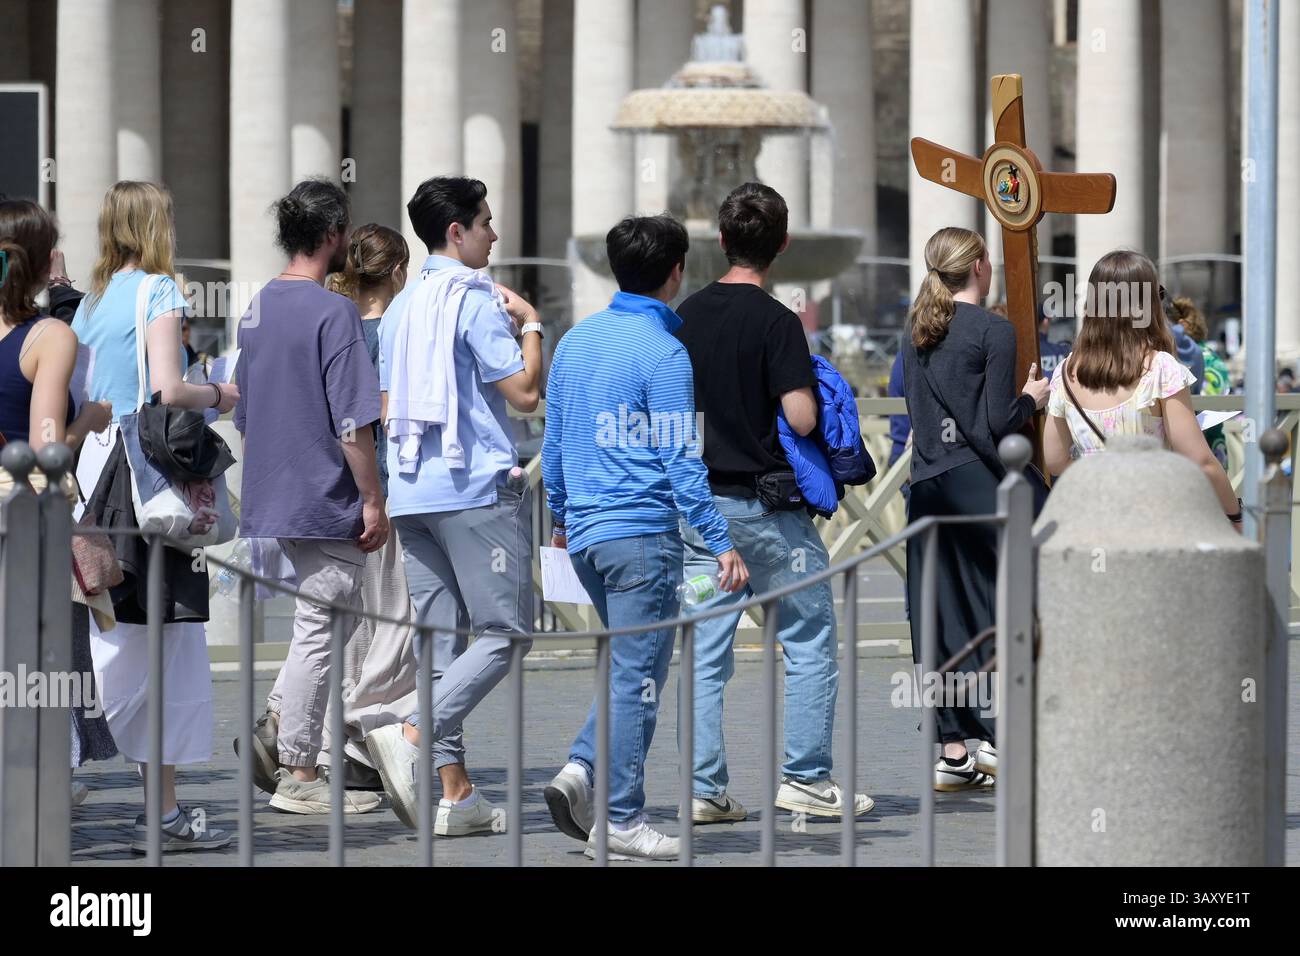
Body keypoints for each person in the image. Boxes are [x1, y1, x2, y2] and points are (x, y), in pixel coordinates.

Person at [541, 214, 750, 861]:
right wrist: (720, 541)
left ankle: (581, 769)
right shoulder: (664, 353)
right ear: (676, 272)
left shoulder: (575, 342)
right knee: (641, 679)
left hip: (586, 536)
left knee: (635, 669)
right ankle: (622, 818)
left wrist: (560, 515)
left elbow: (553, 446)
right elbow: (683, 465)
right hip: (641, 537)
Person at [673, 182, 873, 823]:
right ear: (782, 244)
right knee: (811, 637)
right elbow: (801, 417)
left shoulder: (685, 316)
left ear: (722, 239)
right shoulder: (778, 321)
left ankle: (706, 791)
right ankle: (805, 779)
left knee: (706, 653)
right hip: (768, 510)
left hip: (701, 510)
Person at [364, 177, 542, 836]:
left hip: (412, 489)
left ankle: (458, 796)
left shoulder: (404, 306)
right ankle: (412, 727)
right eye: (487, 223)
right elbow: (523, 394)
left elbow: (383, 409)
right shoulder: (475, 301)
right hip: (474, 487)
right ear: (458, 232)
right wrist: (532, 324)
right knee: (504, 633)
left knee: (441, 647)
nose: (495, 235)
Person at [70, 181, 238, 851]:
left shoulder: (90, 303)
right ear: (155, 227)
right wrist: (222, 392)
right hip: (147, 484)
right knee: (165, 643)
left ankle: (83, 772)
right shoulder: (161, 292)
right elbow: (168, 389)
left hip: (94, 476)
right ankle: (163, 811)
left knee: (108, 631)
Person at [234, 179, 388, 816]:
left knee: (311, 629)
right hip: (324, 494)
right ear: (332, 236)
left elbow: (242, 405)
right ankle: (298, 768)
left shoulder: (256, 306)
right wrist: (372, 498)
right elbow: (353, 422)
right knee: (320, 633)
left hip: (272, 490)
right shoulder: (334, 312)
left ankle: (285, 738)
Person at [902, 226, 1049, 792]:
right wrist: (1031, 401)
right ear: (982, 266)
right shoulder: (994, 329)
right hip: (975, 482)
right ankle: (1007, 732)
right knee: (1013, 600)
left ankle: (955, 748)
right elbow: (992, 428)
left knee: (939, 614)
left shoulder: (916, 329)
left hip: (926, 484)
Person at [0, 199, 117, 803]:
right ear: (46, 262)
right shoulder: (48, 336)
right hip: (30, 519)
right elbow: (48, 450)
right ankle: (41, 796)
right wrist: (91, 417)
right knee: (49, 663)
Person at [1043, 251, 1241, 529]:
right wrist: (1235, 516)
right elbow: (1200, 461)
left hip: (1089, 519)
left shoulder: (1065, 372)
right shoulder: (1160, 369)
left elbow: (1054, 460)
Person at [1169, 295, 1230, 468]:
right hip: (1210, 443)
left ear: (1182, 325)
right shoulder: (1211, 355)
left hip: (1199, 443)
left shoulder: (1200, 355)